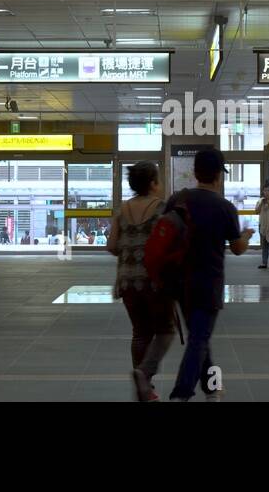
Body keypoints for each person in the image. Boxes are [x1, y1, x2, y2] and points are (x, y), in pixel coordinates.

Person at [169, 148, 254, 402]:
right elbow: (237, 249)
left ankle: (212, 387)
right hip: (208, 283)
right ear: (219, 176)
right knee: (199, 338)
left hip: (180, 283)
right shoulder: (224, 207)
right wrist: (247, 236)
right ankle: (180, 394)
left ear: (195, 172)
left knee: (199, 335)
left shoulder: (176, 200)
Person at [107, 161, 175, 402]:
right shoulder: (163, 209)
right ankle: (144, 375)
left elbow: (112, 246)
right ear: (153, 184)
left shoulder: (122, 209)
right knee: (166, 330)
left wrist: (130, 251)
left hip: (126, 282)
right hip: (154, 282)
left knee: (140, 333)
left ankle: (145, 388)